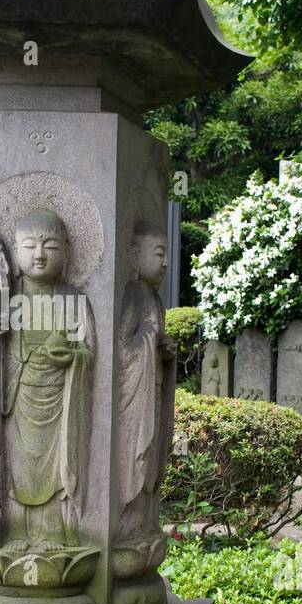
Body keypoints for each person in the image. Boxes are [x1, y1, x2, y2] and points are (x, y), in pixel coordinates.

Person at [0, 209, 93, 552]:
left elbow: (87, 351)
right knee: (14, 471)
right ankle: (13, 534)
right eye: (29, 246)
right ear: (16, 252)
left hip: (59, 406)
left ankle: (53, 536)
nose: (40, 254)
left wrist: (74, 358)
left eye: (50, 246)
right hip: (14, 403)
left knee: (57, 472)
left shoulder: (74, 301)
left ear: (67, 251)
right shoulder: (5, 301)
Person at [118, 219, 177, 536]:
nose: (165, 262)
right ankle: (129, 526)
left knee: (151, 457)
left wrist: (163, 350)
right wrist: (149, 337)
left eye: (166, 254)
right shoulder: (134, 295)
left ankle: (144, 523)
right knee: (135, 458)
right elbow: (122, 350)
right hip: (134, 399)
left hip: (151, 393)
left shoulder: (153, 299)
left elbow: (145, 342)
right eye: (158, 253)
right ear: (135, 255)